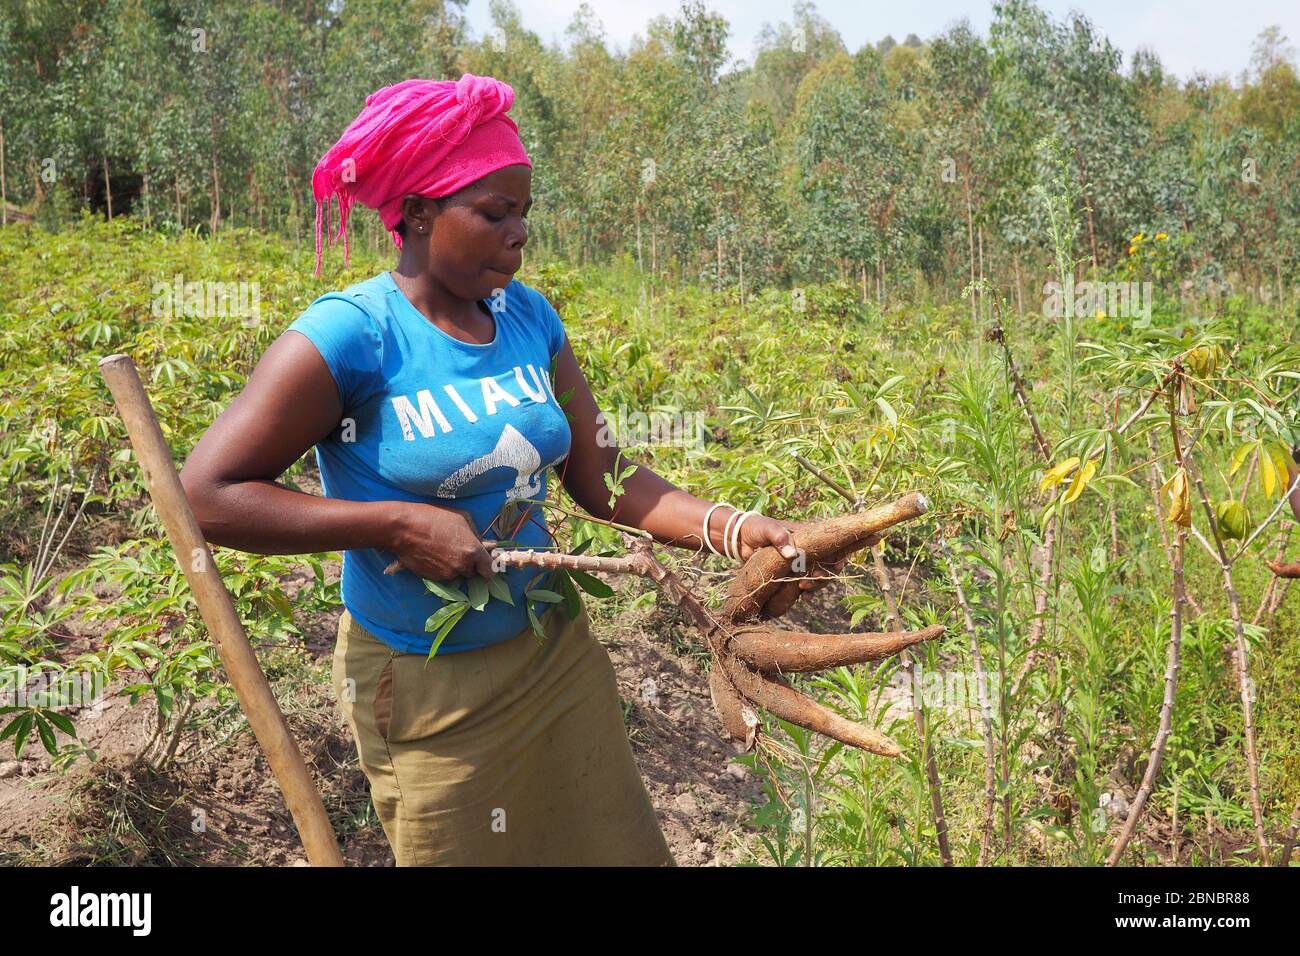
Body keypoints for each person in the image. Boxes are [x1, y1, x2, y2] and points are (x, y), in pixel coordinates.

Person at [179, 73, 842, 866]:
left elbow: (603, 477)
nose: (518, 233)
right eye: (494, 213)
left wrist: (735, 529)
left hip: (554, 650)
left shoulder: (528, 317)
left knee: (608, 847)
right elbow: (207, 496)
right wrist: (390, 522)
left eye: (523, 212)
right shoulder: (350, 336)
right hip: (426, 686)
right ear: (419, 212)